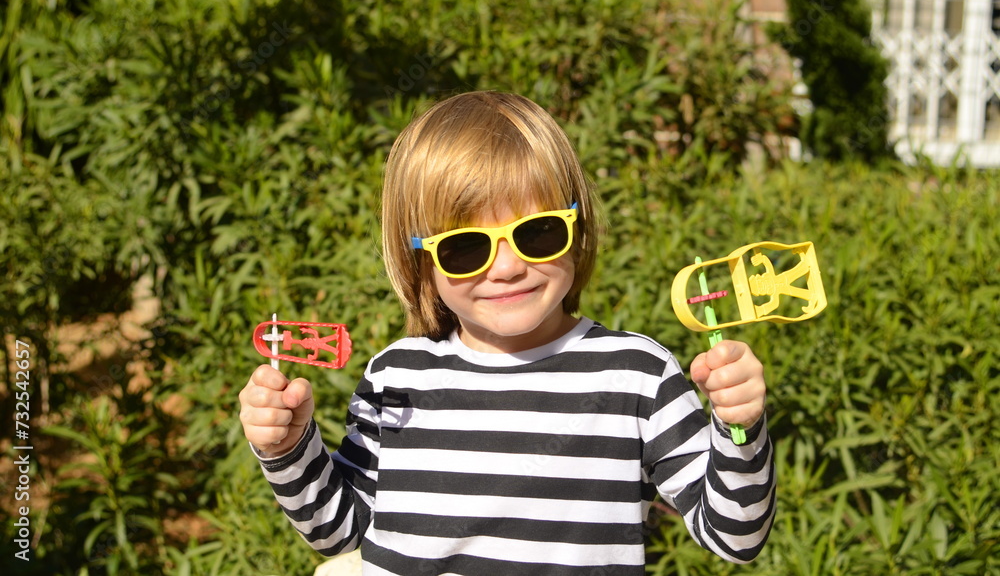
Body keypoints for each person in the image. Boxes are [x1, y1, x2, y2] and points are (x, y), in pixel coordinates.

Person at [239, 91, 774, 575]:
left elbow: (734, 535)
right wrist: (289, 449)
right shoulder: (395, 375)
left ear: (577, 227)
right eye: (465, 247)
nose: (506, 268)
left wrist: (739, 427)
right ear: (420, 262)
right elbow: (341, 531)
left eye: (537, 233)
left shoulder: (635, 375)